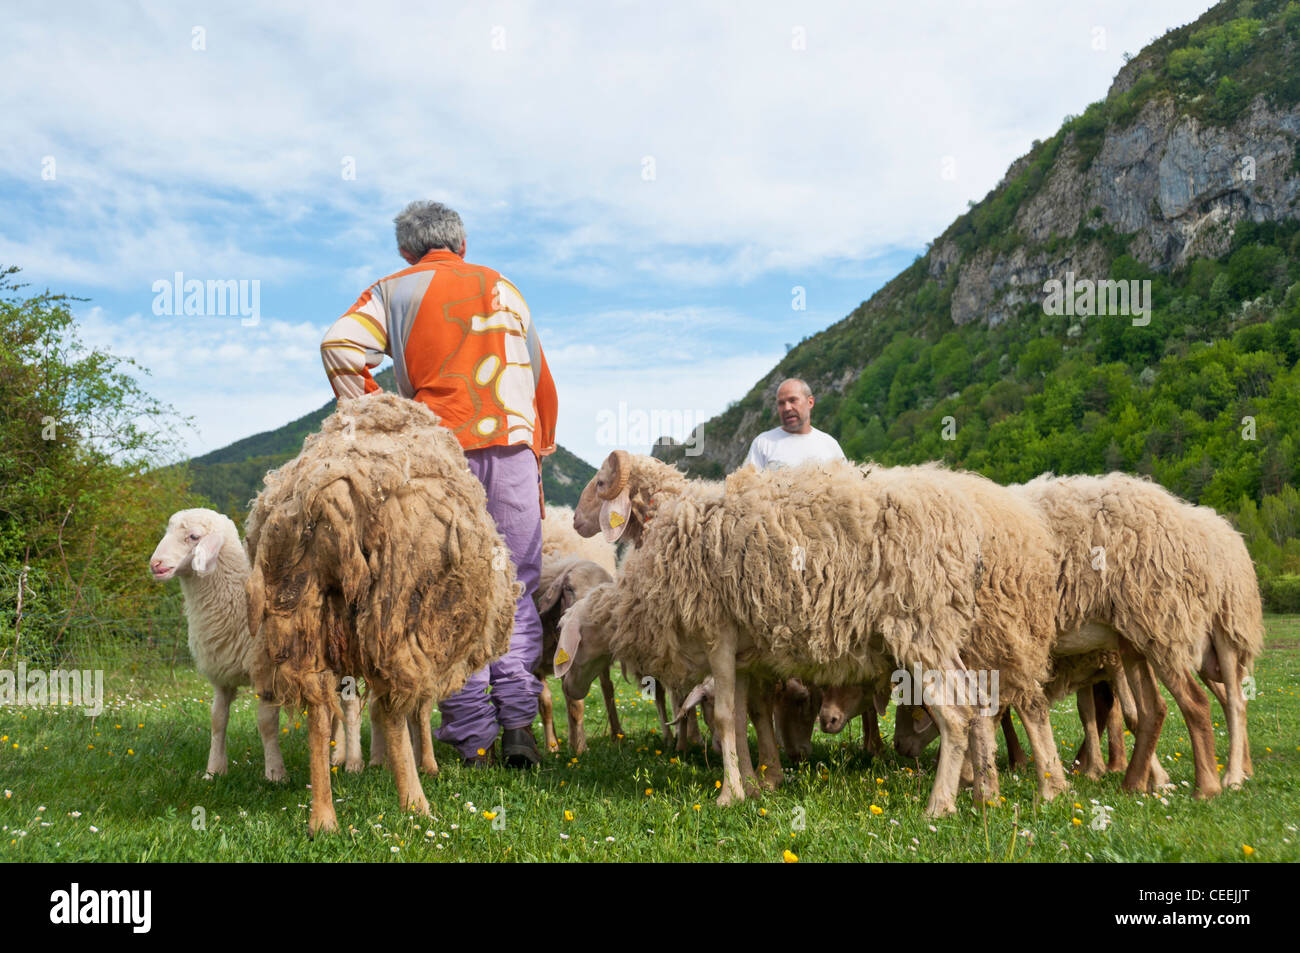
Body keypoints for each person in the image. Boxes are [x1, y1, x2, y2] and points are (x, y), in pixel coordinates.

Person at [320, 200, 557, 768]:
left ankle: (472, 737)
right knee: (515, 585)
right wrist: (535, 447)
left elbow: (338, 346)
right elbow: (541, 377)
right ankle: (520, 726)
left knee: (451, 587)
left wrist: (389, 415)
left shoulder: (392, 289)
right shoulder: (506, 288)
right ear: (463, 244)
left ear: (406, 249)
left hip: (439, 455)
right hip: (514, 446)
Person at [742, 378, 845, 471]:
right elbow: (747, 486)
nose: (787, 408)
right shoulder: (763, 443)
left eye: (793, 400)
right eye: (781, 403)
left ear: (810, 402)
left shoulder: (829, 444)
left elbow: (847, 487)